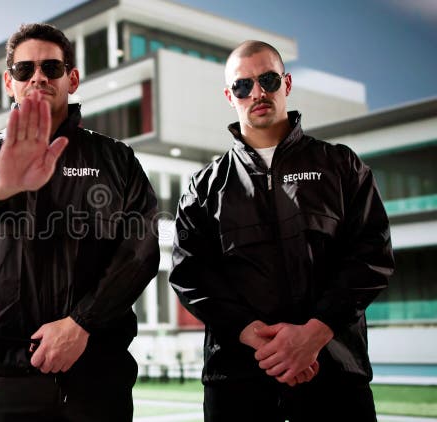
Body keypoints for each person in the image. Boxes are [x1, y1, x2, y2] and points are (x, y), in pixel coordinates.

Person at [168, 40, 394, 421]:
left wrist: (313, 335)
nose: (257, 92)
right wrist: (259, 339)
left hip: (334, 377)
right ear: (229, 95)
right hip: (237, 385)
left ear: (286, 84)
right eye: (243, 85)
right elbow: (191, 275)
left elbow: (371, 256)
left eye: (268, 79)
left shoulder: (340, 167)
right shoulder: (204, 186)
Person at [0, 23, 160, 421]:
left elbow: (140, 253)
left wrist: (81, 324)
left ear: (72, 78)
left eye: (51, 68)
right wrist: (3, 181)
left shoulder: (117, 159)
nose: (38, 77)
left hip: (97, 374)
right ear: (10, 82)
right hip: (5, 377)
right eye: (24, 70)